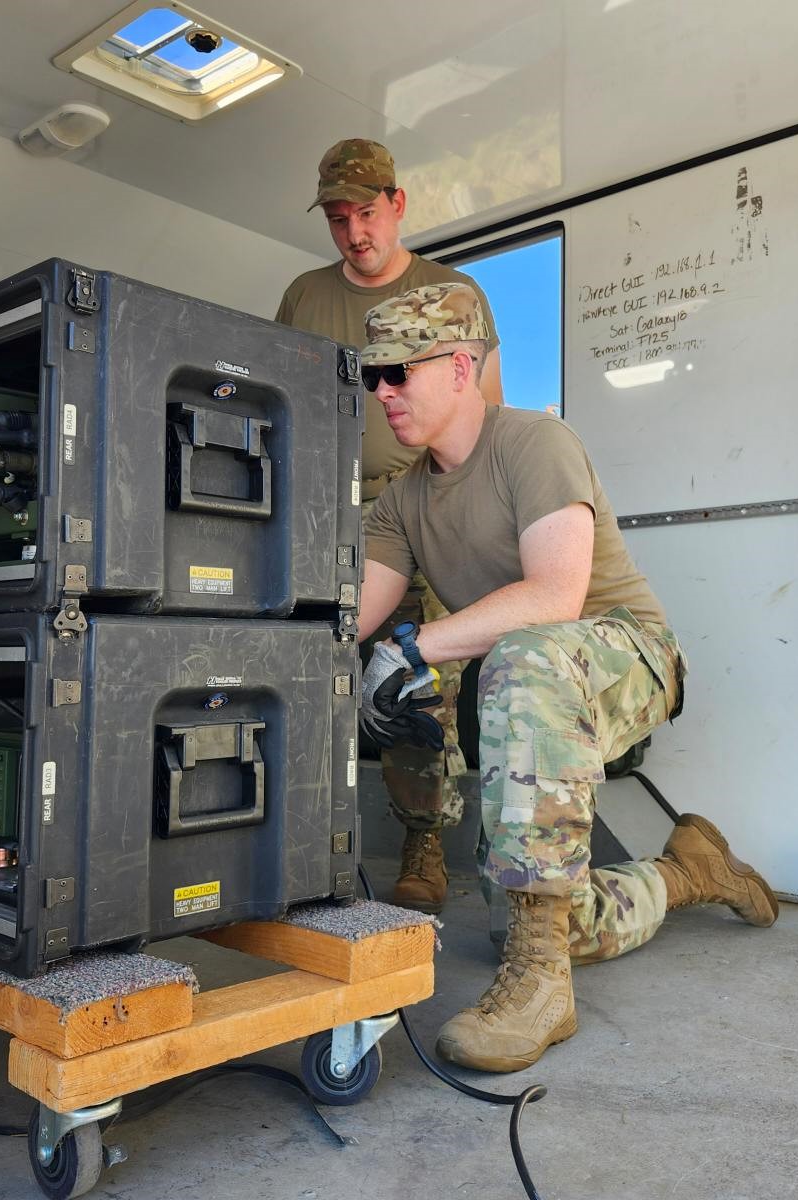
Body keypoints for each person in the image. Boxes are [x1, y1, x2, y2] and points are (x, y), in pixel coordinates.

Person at [354, 282, 780, 1074]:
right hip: (533, 685)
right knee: (542, 915)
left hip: (628, 658)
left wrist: (411, 649)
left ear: (459, 367)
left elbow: (555, 596)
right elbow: (351, 616)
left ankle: (541, 987)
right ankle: (688, 873)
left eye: (397, 372)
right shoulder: (400, 502)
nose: (381, 391)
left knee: (523, 656)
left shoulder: (533, 443)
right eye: (370, 375)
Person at [275, 138, 503, 914]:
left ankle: (423, 846)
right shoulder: (304, 297)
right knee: (309, 668)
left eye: (366, 214)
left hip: (421, 513)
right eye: (338, 220)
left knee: (414, 683)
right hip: (323, 518)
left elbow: (485, 418)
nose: (355, 233)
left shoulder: (452, 293)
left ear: (397, 203)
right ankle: (300, 840)